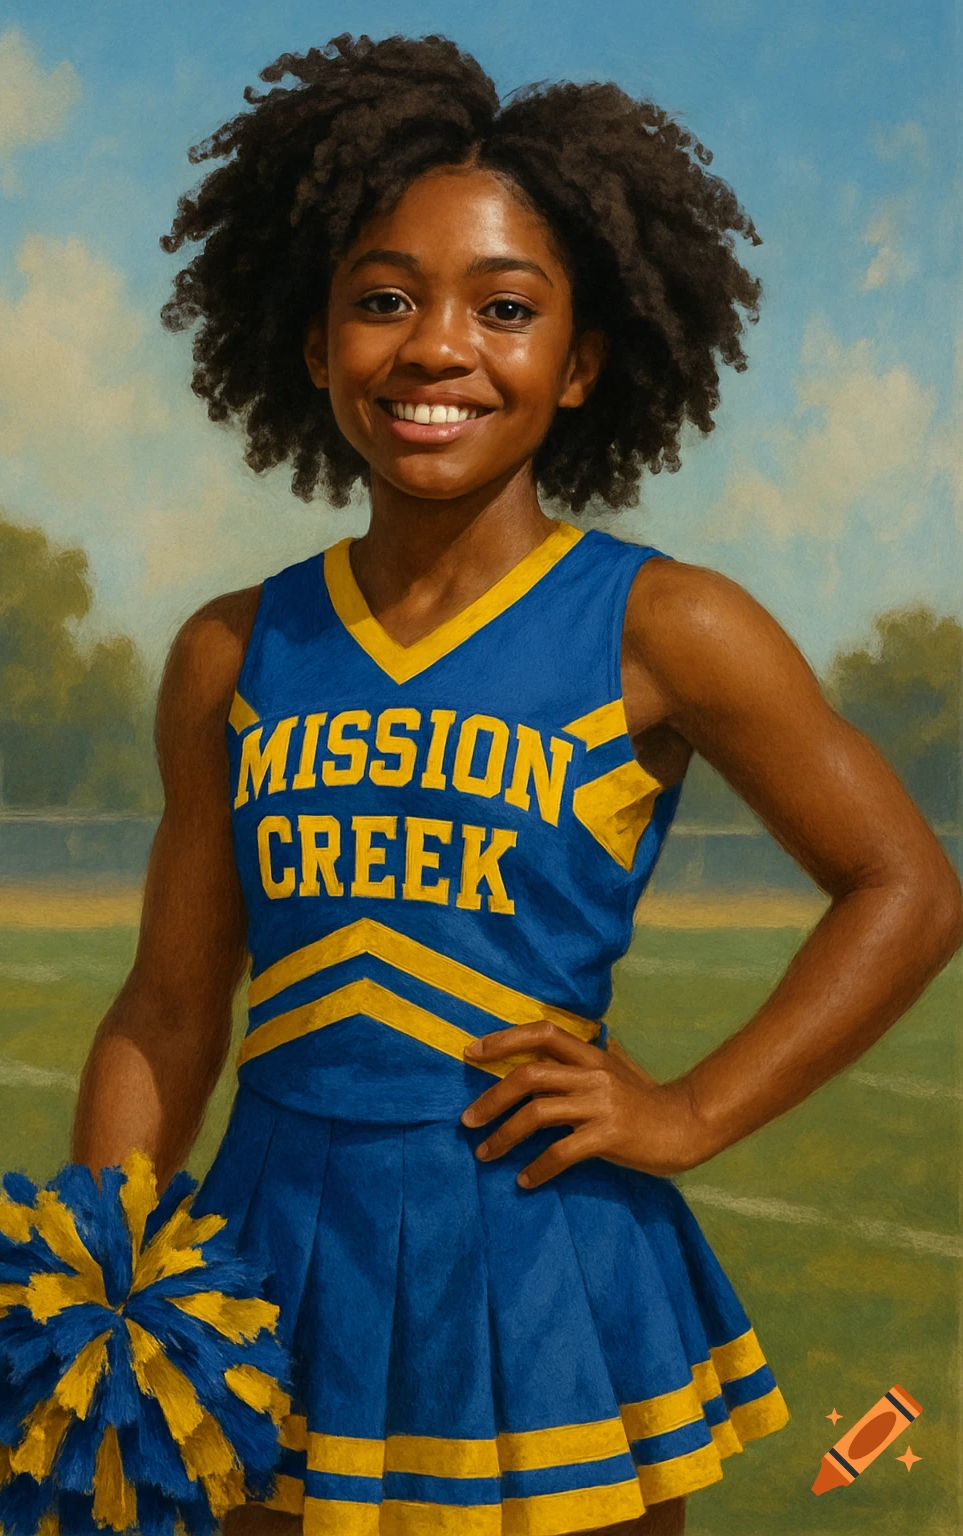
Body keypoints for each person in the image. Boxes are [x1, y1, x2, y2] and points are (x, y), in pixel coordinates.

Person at [71, 32, 962, 1536]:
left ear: (582, 359)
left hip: (541, 1252)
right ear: (311, 342)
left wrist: (686, 1112)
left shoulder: (664, 623)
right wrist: (103, 1280)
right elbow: (168, 1005)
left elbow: (909, 887)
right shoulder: (233, 649)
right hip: (272, 1247)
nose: (435, 349)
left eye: (503, 309)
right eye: (382, 301)